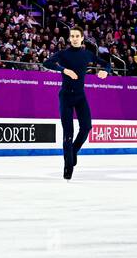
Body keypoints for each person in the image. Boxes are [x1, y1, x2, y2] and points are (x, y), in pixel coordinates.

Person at [43, 27, 112, 179]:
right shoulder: (63, 54)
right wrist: (64, 70)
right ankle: (68, 169)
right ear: (69, 38)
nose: (74, 38)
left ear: (82, 38)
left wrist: (106, 71)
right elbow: (46, 63)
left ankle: (73, 151)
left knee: (87, 127)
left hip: (80, 96)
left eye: (77, 36)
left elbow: (107, 64)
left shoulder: (87, 54)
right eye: (72, 36)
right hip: (66, 96)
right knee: (68, 133)